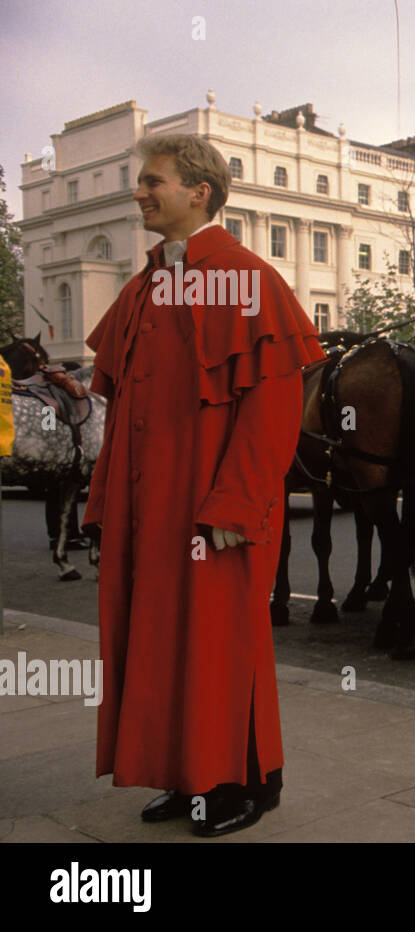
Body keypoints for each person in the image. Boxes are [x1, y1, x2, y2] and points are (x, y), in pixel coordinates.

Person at [81, 134, 324, 836]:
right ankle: (188, 779)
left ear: (201, 193)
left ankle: (246, 784)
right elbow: (119, 408)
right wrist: (102, 501)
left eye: (152, 181)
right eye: (141, 181)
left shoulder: (249, 280)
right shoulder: (144, 286)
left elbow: (273, 411)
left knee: (221, 645)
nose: (139, 192)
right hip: (143, 512)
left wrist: (236, 503)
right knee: (155, 643)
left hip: (214, 510)